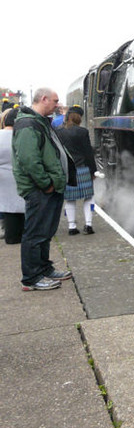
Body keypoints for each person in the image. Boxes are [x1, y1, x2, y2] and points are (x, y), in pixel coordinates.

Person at [12, 88, 75, 291]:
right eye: (55, 101)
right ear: (44, 99)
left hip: (50, 187)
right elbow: (29, 160)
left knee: (46, 232)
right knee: (35, 233)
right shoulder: (28, 124)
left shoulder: (39, 122)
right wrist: (46, 184)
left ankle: (44, 268)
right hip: (40, 189)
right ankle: (31, 277)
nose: (57, 105)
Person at [56, 105, 96, 235]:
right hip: (82, 168)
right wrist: (93, 171)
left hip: (68, 170)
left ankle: (72, 227)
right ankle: (88, 225)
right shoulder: (82, 132)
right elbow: (88, 153)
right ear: (79, 118)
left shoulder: (58, 131)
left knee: (70, 199)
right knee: (88, 197)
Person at [0, 107, 26, 244]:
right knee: (21, 206)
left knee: (8, 208)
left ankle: (10, 236)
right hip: (21, 176)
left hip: (3, 178)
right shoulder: (23, 137)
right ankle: (21, 234)